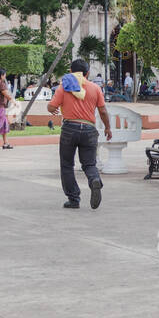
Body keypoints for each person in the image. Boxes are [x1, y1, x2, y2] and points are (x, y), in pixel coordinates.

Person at [47, 58, 111, 210]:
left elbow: (51, 106)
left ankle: (74, 199)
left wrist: (53, 109)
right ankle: (94, 179)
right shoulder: (95, 88)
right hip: (89, 129)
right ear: (87, 73)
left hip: (69, 128)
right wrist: (108, 128)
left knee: (67, 164)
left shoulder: (64, 87)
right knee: (89, 163)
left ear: (70, 71)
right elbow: (102, 110)